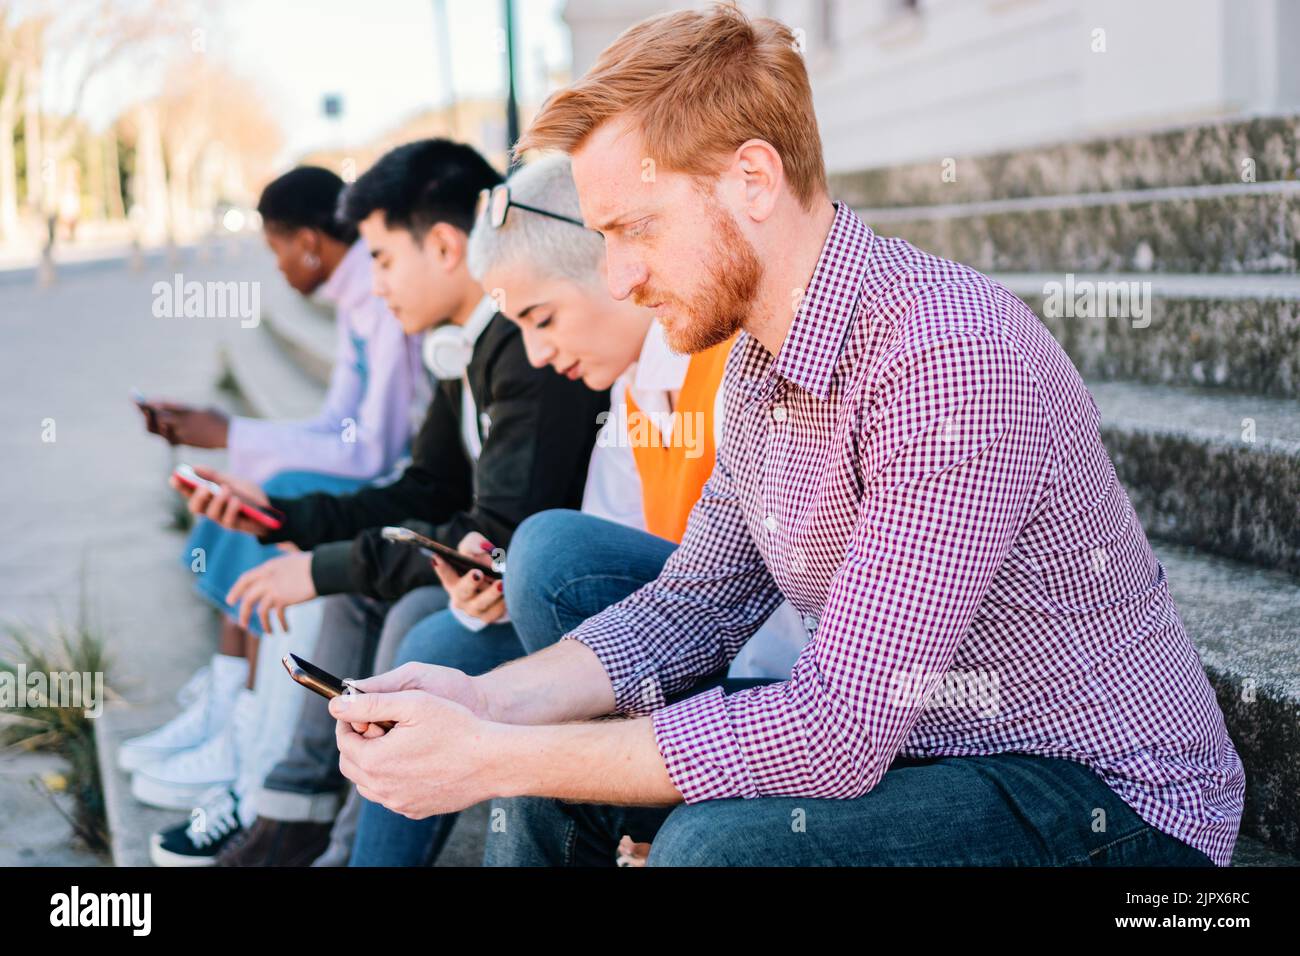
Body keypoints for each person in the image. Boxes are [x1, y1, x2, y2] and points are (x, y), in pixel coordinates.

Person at [331, 4, 1244, 868]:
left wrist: (487, 758)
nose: (616, 277)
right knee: (549, 769)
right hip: (923, 745)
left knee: (715, 851)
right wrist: (487, 706)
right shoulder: (762, 367)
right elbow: (689, 606)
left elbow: (835, 734)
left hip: (1106, 798)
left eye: (634, 229)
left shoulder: (951, 357)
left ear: (753, 180)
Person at [155, 139, 609, 866]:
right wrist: (285, 520)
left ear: (443, 245)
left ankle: (345, 848)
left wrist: (321, 565)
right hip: (497, 578)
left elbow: (491, 537)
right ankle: (294, 813)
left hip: (539, 598)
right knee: (351, 594)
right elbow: (422, 489)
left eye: (382, 258)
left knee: (409, 621)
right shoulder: (465, 346)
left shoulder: (529, 349)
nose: (372, 281)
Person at [347, 154, 808, 866]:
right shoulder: (630, 397)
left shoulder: (737, 373)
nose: (536, 351)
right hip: (681, 650)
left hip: (766, 669)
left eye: (541, 318)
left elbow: (753, 625)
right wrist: (492, 682)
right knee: (444, 638)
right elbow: (656, 594)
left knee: (547, 554)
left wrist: (513, 742)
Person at [122, 166, 427, 815]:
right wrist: (227, 434)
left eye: (279, 248)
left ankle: (243, 721)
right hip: (372, 465)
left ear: (312, 240)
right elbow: (333, 423)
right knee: (248, 483)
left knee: (269, 491)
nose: (281, 266)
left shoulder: (378, 297)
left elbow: (372, 447)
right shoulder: (353, 300)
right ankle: (228, 704)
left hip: (400, 484)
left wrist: (232, 431)